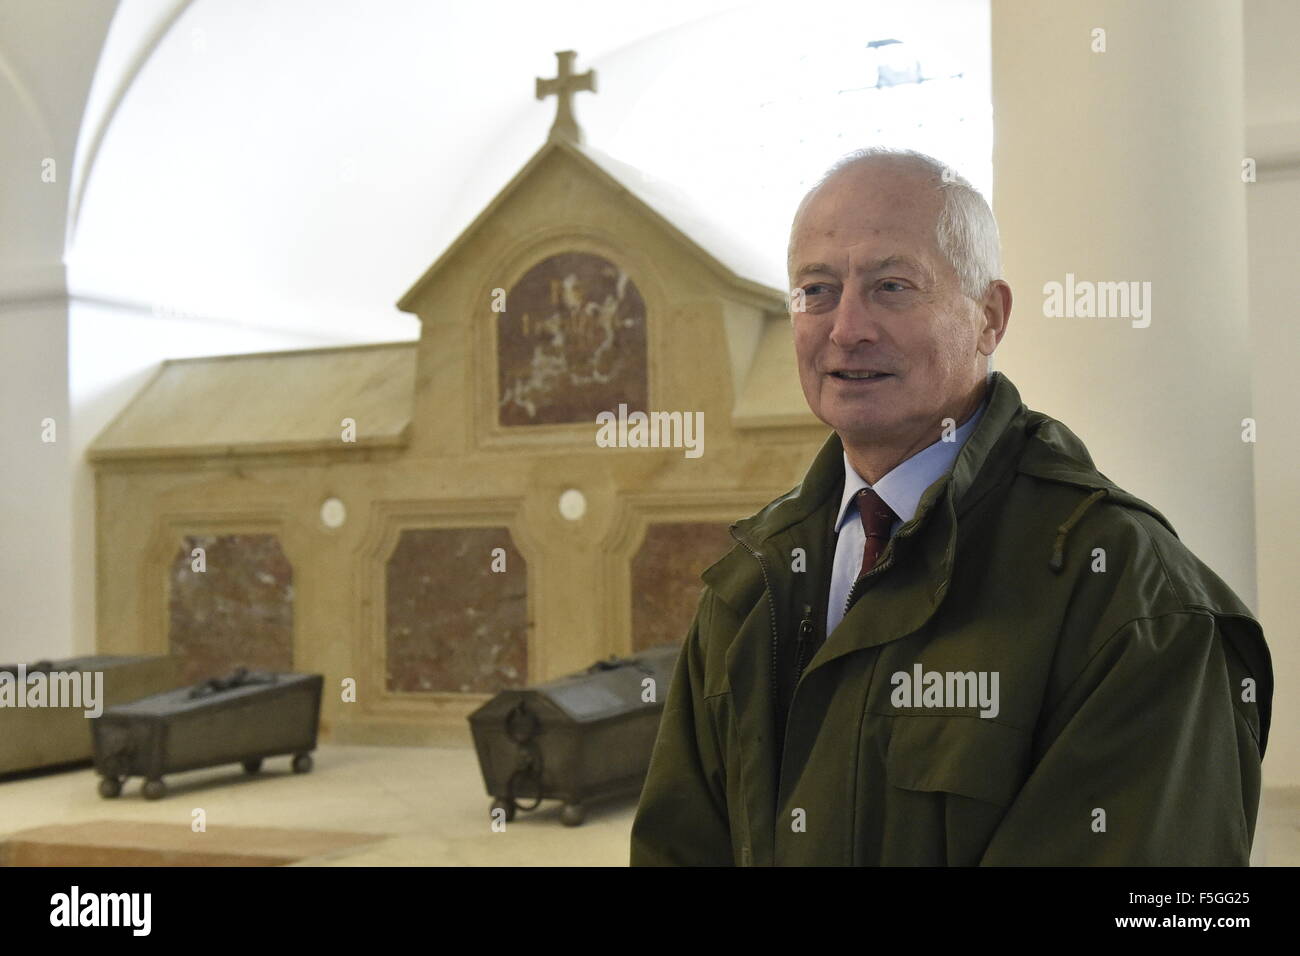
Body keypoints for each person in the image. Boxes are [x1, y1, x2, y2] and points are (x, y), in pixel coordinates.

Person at [628, 148, 1272, 866]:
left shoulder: (1128, 596)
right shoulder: (751, 581)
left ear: (989, 318)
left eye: (892, 286)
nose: (846, 328)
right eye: (816, 290)